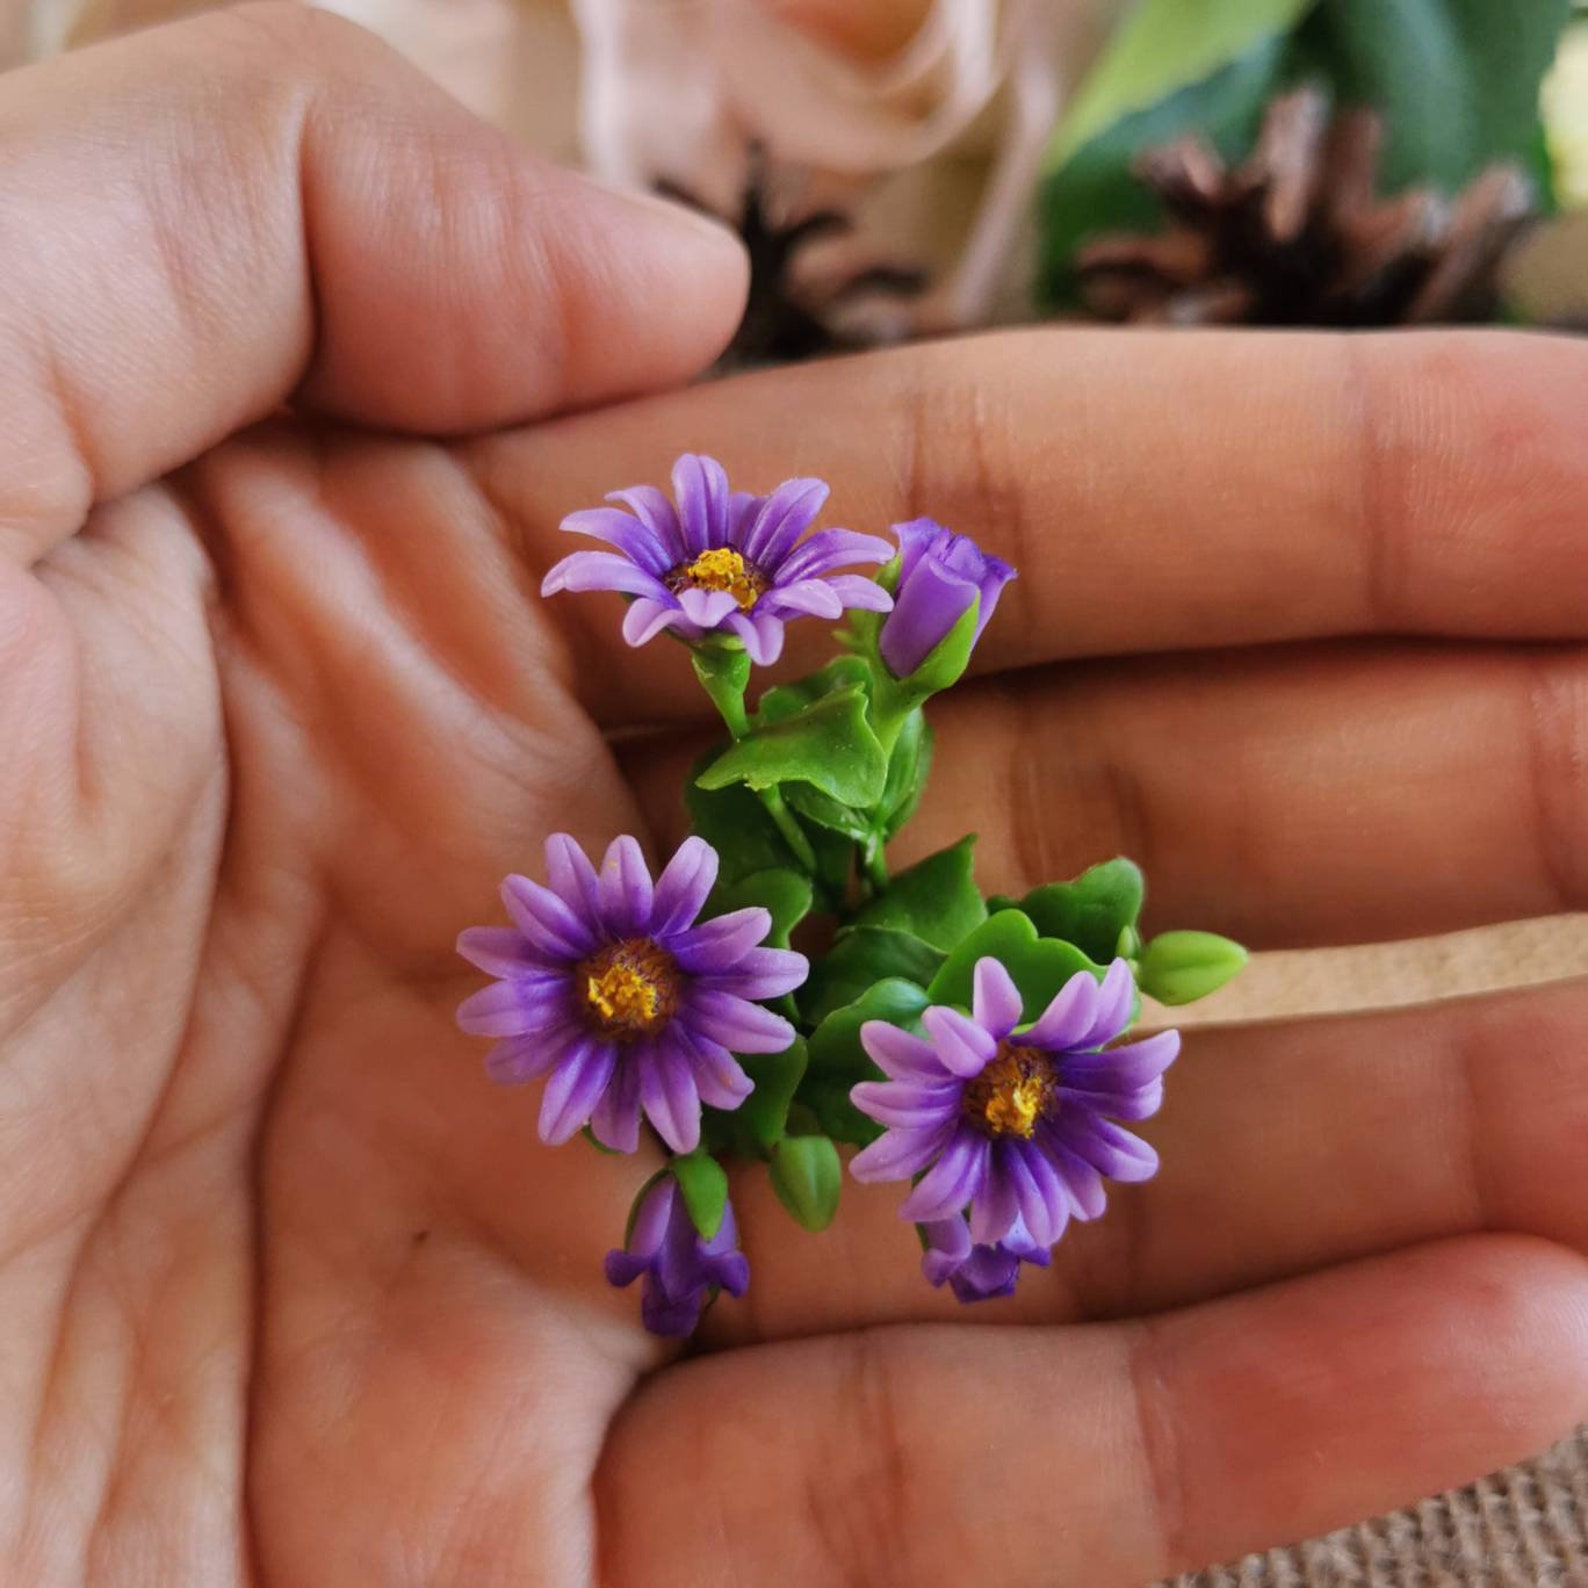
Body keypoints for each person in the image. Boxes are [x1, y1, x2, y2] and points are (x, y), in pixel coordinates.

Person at [3, 8, 1587, 1585]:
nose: (1019, 1093)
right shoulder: (705, 958)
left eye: (1018, 1086)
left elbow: (809, 1017)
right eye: (1025, 1076)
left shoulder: (884, 1021)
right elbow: (711, 994)